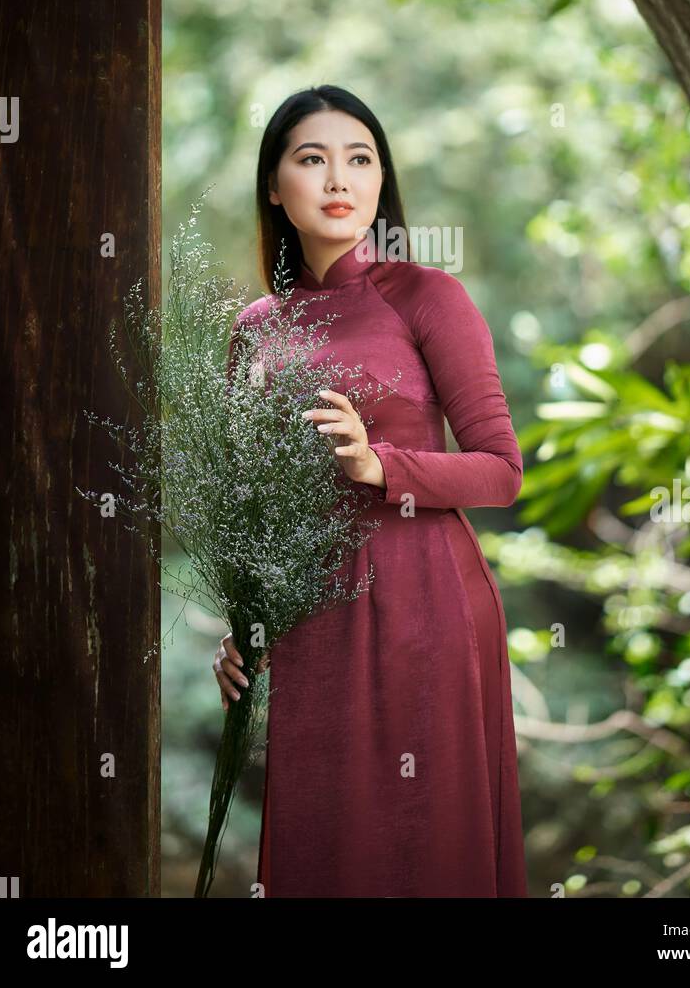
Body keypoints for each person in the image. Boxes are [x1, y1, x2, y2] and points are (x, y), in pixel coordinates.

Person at [213, 84, 528, 897]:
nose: (337, 179)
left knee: (423, 841)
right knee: (325, 843)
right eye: (311, 159)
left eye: (358, 159)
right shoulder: (254, 327)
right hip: (309, 616)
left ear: (381, 181)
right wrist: (243, 622)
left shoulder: (426, 296)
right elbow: (249, 507)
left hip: (424, 602)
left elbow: (500, 470)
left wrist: (378, 465)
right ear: (273, 186)